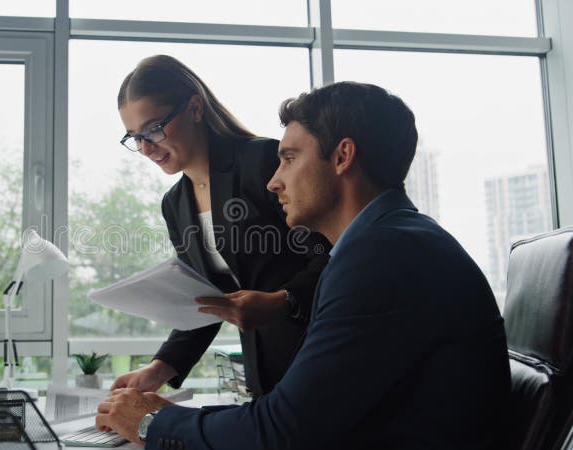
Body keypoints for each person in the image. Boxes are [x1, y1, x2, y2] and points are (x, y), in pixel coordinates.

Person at [96, 81, 510, 450]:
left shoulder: (380, 255)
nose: (274, 181)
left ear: (343, 156)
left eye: (290, 159)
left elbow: (283, 430)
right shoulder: (384, 242)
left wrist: (154, 422)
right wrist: (163, 395)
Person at [112, 55, 331, 397]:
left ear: (195, 109)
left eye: (153, 129)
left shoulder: (260, 163)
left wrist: (282, 300)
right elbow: (205, 298)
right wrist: (160, 367)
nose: (145, 148)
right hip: (266, 378)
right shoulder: (175, 205)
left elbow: (330, 252)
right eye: (134, 137)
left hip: (319, 356)